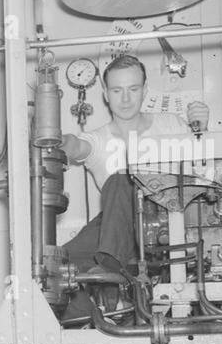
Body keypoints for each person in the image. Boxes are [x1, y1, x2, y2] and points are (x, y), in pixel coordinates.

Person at [59, 55, 203, 318]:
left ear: (145, 90)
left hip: (170, 214)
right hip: (118, 222)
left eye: (133, 89)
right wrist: (56, 139)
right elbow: (77, 147)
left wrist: (201, 130)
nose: (125, 99)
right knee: (59, 266)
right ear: (104, 94)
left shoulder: (171, 124)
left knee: (125, 178)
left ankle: (111, 275)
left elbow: (202, 168)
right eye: (116, 90)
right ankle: (81, 321)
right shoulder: (98, 139)